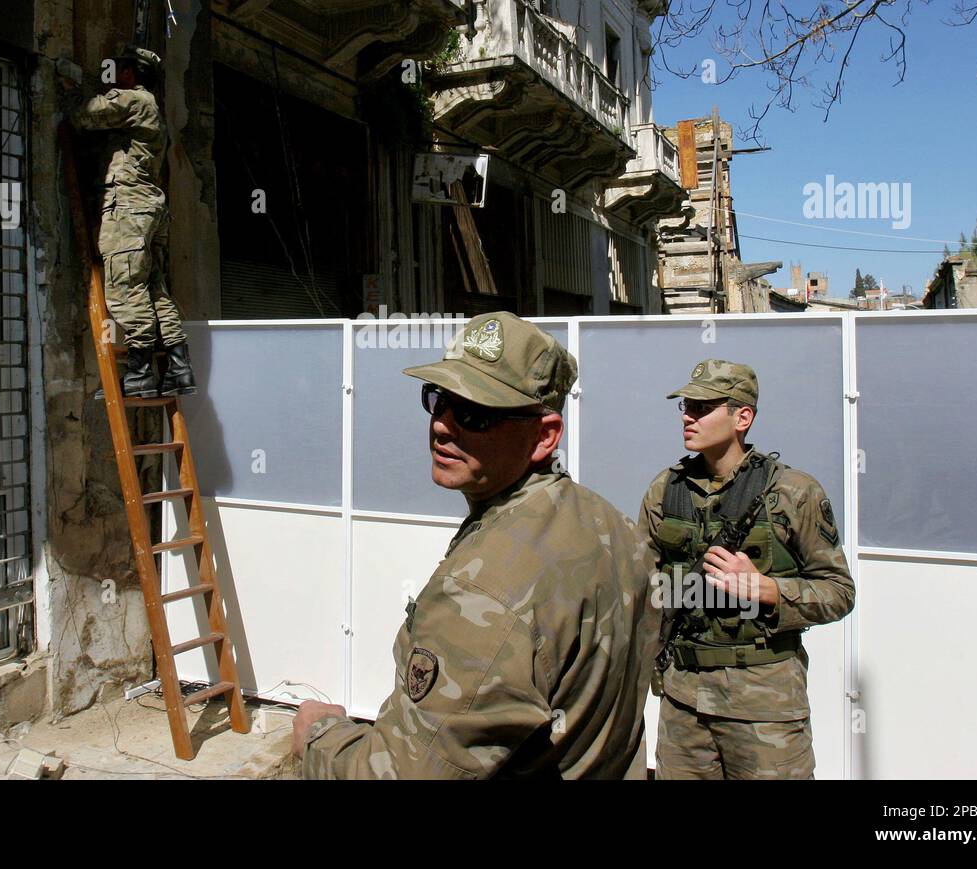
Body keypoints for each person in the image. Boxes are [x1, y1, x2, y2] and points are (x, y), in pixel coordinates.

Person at [291, 312, 659, 779]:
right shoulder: (613, 527)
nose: (443, 426)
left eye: (474, 414)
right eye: (439, 401)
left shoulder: (485, 590)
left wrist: (319, 736)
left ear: (544, 436)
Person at [638, 359, 855, 779]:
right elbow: (640, 584)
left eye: (702, 407)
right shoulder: (666, 489)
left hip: (764, 705)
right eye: (686, 405)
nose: (688, 415)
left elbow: (839, 592)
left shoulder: (794, 492)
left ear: (742, 417)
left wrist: (767, 589)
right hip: (683, 702)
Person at [68, 46, 196, 398]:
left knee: (124, 286)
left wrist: (71, 89)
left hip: (128, 206)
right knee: (153, 288)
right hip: (148, 206)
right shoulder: (148, 108)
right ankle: (179, 366)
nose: (115, 73)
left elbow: (85, 115)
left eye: (120, 68)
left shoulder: (136, 100)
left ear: (131, 72)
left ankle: (139, 373)